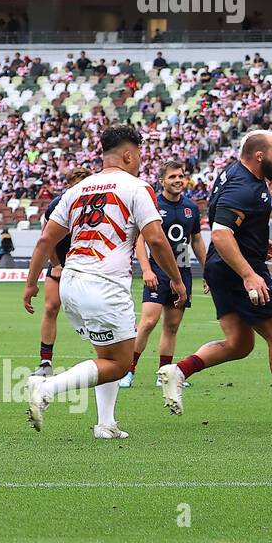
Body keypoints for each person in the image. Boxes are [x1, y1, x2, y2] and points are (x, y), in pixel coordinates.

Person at [159, 130, 272, 425]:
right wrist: (249, 274)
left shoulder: (236, 173)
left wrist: (255, 241)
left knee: (239, 344)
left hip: (224, 266)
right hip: (237, 270)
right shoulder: (245, 187)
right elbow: (220, 232)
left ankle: (179, 371)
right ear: (259, 155)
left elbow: (230, 224)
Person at [22, 126, 187, 440]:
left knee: (109, 352)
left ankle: (106, 423)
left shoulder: (78, 189)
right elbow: (155, 238)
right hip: (105, 285)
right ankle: (47, 388)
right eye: (138, 154)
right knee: (119, 364)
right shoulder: (137, 187)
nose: (139, 161)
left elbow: (46, 238)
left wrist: (31, 283)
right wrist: (176, 280)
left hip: (71, 281)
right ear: (128, 154)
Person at [119, 161, 206, 388]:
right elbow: (140, 239)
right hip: (158, 272)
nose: (178, 180)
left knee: (172, 326)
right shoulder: (152, 205)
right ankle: (128, 371)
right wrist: (146, 269)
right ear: (162, 181)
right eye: (173, 177)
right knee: (148, 321)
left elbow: (196, 241)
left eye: (181, 176)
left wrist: (208, 271)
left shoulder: (191, 207)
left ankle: (164, 375)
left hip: (182, 271)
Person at [35, 166, 93, 377]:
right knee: (51, 308)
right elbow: (46, 239)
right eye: (76, 184)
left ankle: (109, 360)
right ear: (69, 186)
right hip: (60, 263)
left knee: (95, 311)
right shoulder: (57, 205)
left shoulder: (97, 205)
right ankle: (45, 363)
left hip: (88, 267)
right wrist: (57, 265)